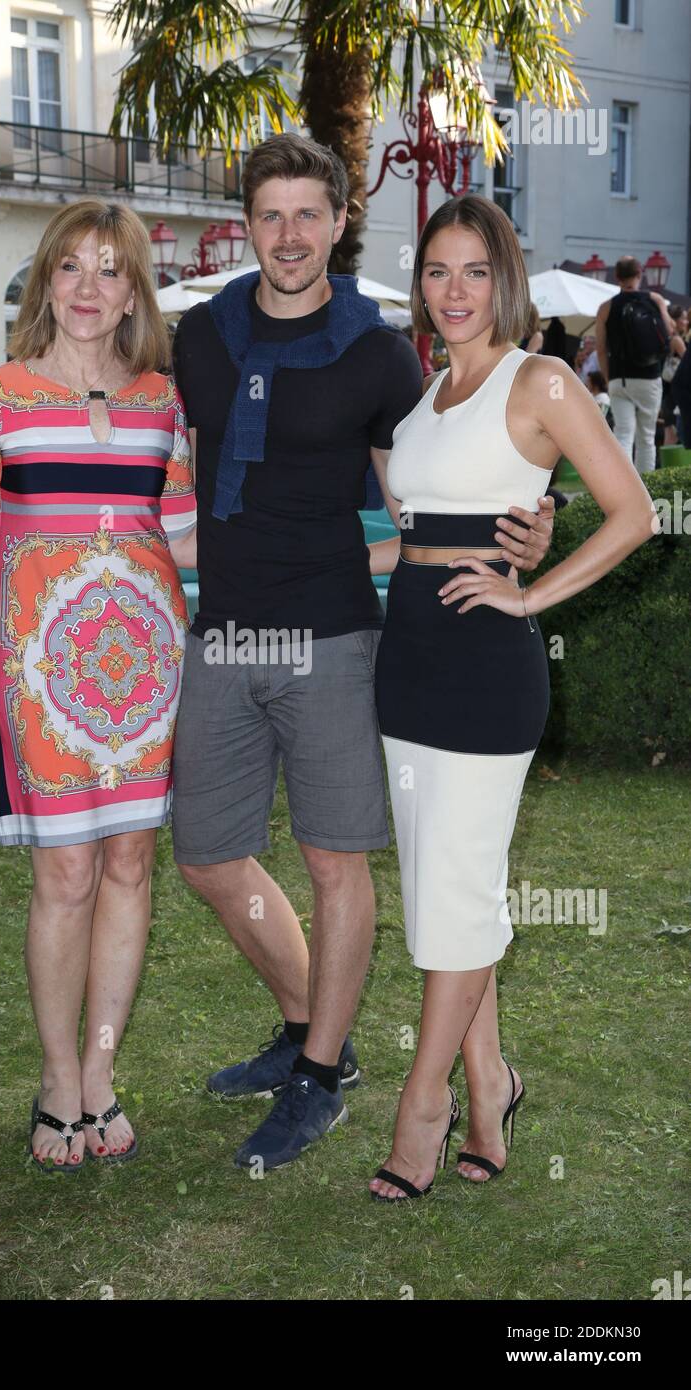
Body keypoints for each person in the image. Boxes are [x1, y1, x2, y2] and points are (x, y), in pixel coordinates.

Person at [170, 133, 555, 1173]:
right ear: (244, 225)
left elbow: (424, 486)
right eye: (269, 214)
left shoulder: (378, 350)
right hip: (224, 634)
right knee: (207, 855)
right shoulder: (200, 337)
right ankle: (310, 1027)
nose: (288, 235)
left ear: (340, 223)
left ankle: (319, 1071)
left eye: (308, 213)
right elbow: (167, 462)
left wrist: (527, 524)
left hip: (337, 634)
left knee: (336, 863)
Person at [367, 194, 654, 1202]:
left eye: (473, 273)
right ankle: (488, 1083)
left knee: (455, 891)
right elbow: (410, 538)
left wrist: (530, 589)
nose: (453, 292)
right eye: (437, 272)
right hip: (404, 662)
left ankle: (422, 1107)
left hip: (487, 670)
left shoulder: (538, 382)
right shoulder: (422, 397)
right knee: (441, 894)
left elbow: (634, 511)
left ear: (504, 282)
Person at [0, 199, 196, 1174]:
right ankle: (57, 1081)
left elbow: (179, 537)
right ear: (44, 279)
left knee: (130, 867)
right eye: (71, 268)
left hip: (149, 676)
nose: (89, 289)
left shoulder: (160, 402)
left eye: (110, 270)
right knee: (65, 874)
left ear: (134, 290)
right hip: (36, 673)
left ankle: (99, 1075)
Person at [596, 257, 673, 473]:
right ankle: (645, 489)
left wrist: (608, 376)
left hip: (619, 379)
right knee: (646, 437)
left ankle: (624, 489)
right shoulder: (655, 300)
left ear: (617, 277)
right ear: (640, 274)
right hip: (650, 377)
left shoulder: (606, 307)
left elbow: (601, 348)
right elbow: (669, 333)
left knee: (623, 433)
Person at [661, 306, 687, 446]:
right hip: (675, 394)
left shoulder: (664, 339)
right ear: (675, 320)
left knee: (669, 433)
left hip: (666, 393)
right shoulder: (677, 340)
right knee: (674, 435)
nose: (686, 321)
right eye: (682, 318)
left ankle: (667, 467)